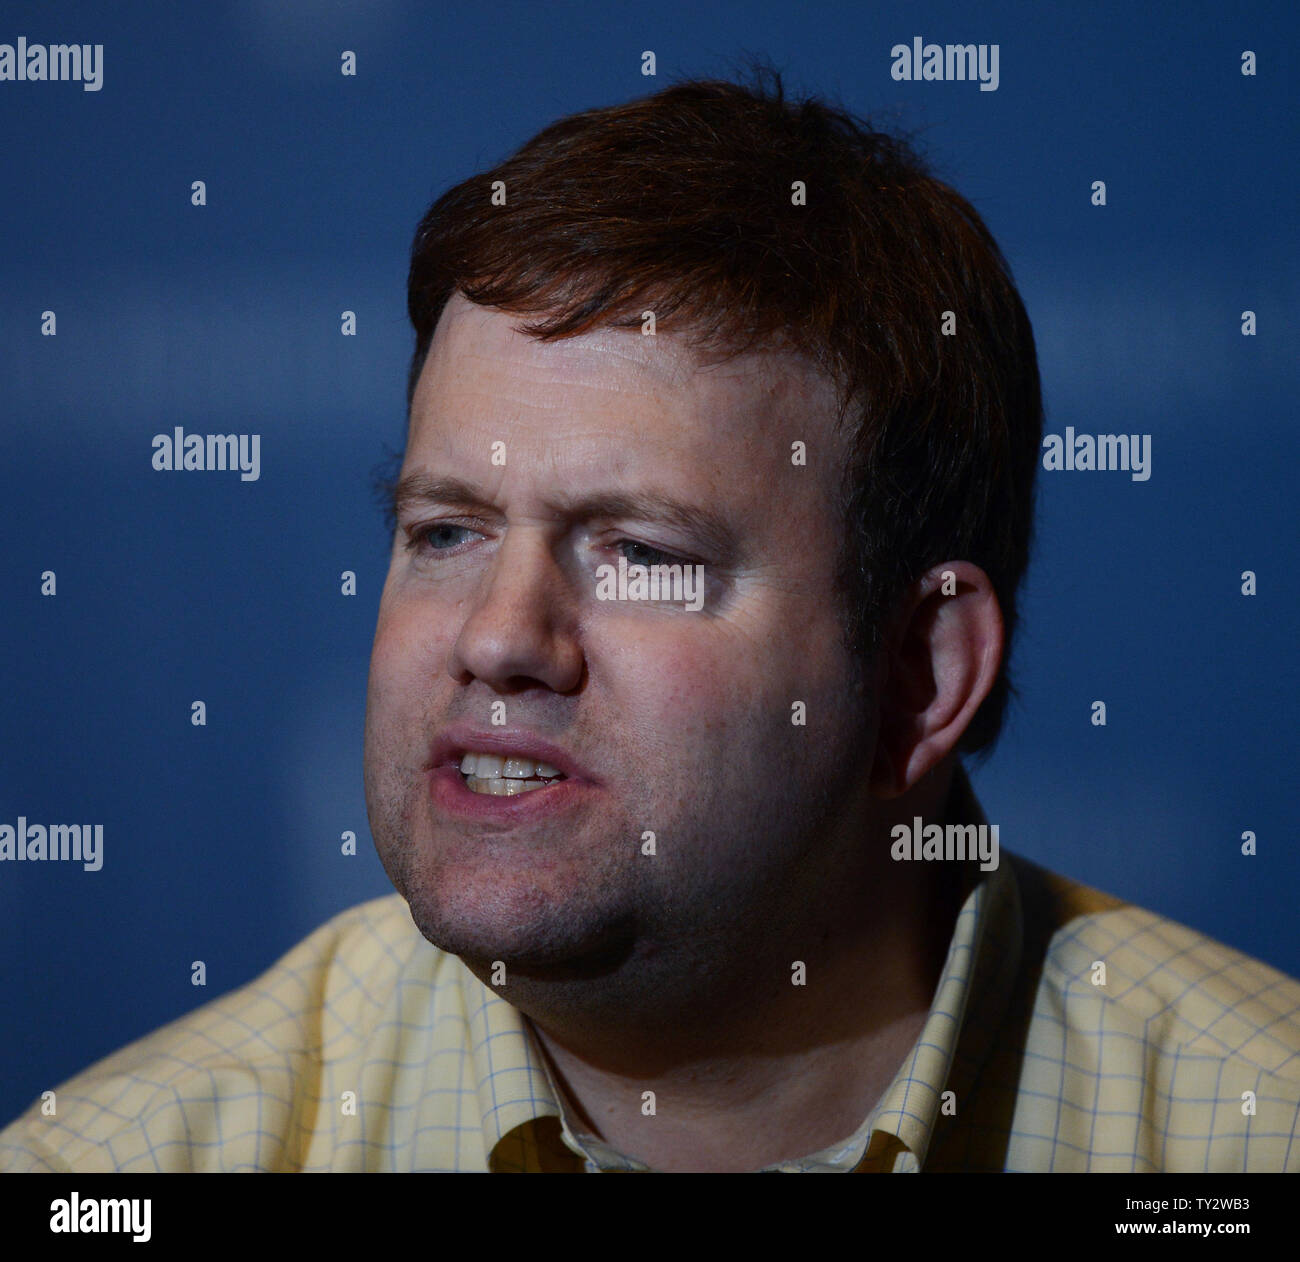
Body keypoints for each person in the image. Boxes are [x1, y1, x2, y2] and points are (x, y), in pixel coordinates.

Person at [4, 70, 1298, 1174]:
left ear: (919, 673)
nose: (500, 637)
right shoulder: (111, 1169)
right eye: (447, 529)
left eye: (636, 552)